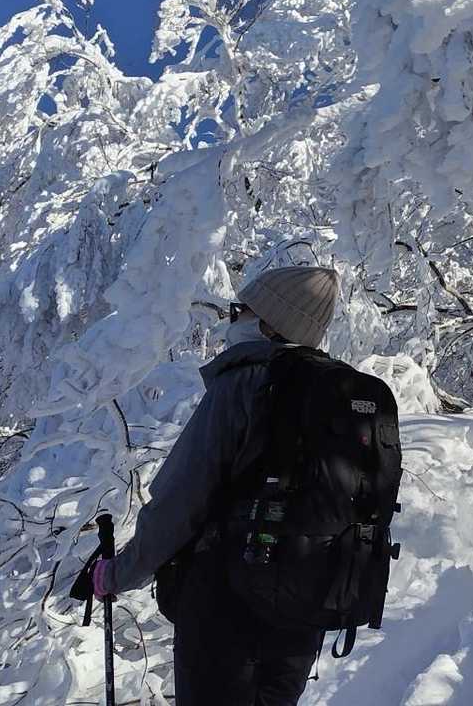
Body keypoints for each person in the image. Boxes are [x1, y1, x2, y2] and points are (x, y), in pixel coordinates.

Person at [86, 266, 351, 706]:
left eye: (238, 310)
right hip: (303, 615)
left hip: (227, 609)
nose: (230, 321)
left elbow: (177, 504)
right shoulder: (338, 396)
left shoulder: (245, 385)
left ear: (270, 323)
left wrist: (117, 573)